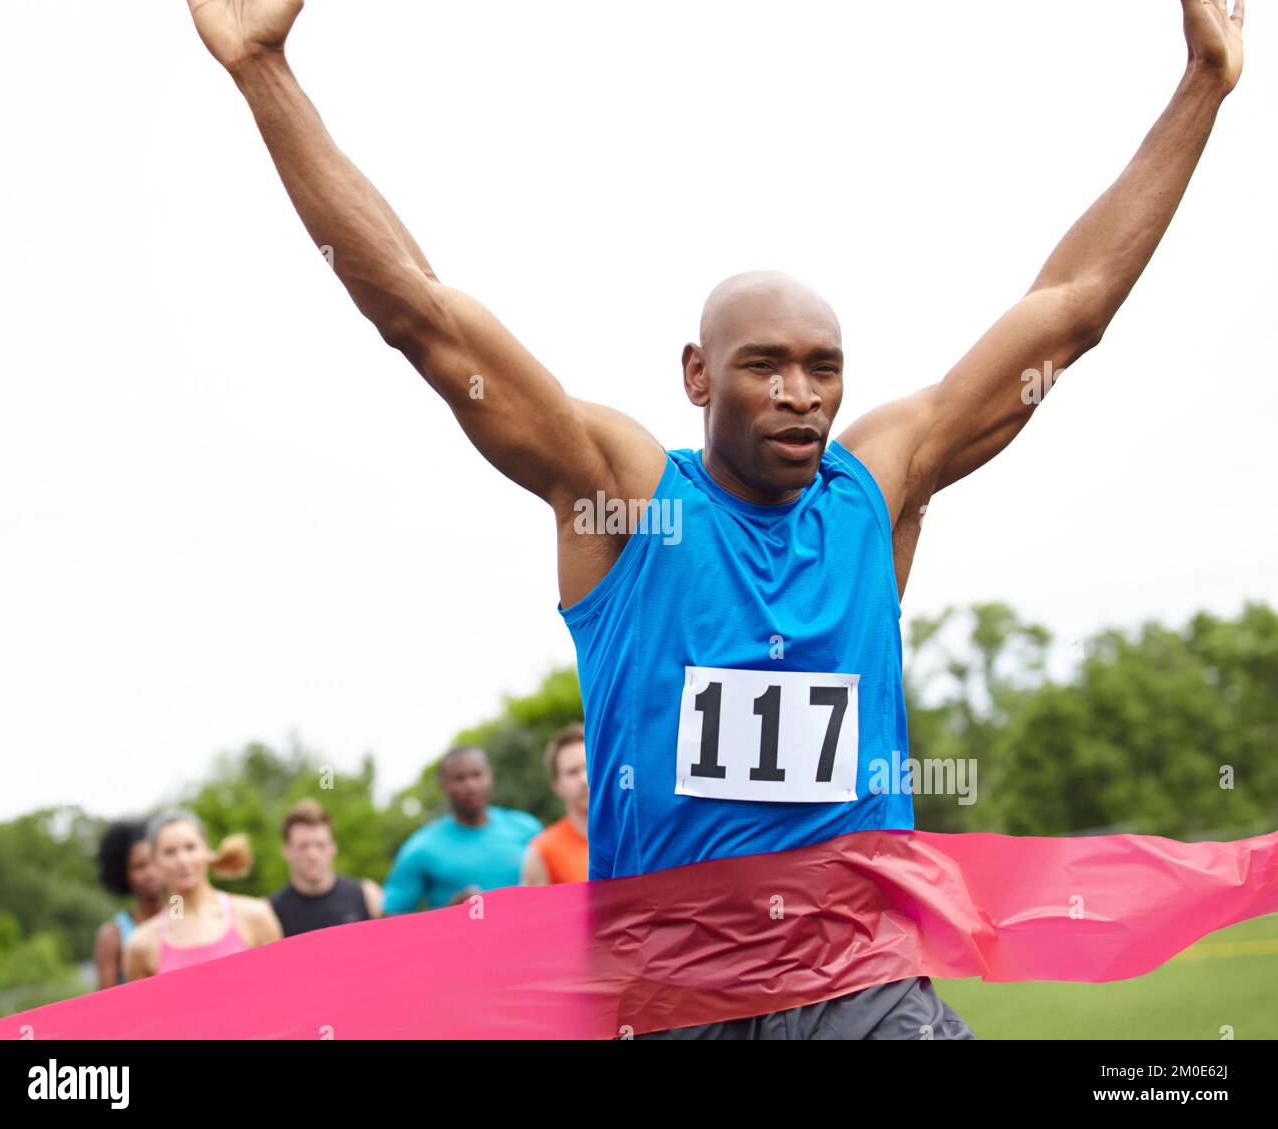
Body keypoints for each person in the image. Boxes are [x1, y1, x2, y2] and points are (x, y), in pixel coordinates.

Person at [183, 0, 1246, 1038]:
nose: (800, 394)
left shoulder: (877, 492)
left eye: (822, 368)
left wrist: (1200, 84)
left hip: (860, 988)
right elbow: (420, 314)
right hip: (670, 1003)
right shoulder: (631, 503)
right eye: (765, 366)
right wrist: (263, 72)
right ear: (697, 374)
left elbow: (1070, 306)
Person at [123, 810, 282, 979]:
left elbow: (284, 987)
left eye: (190, 847)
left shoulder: (255, 915)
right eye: (170, 852)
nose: (182, 860)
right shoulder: (141, 945)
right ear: (154, 863)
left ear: (207, 851)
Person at [383, 746, 540, 912]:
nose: (471, 786)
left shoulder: (527, 828)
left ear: (490, 777)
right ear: (443, 785)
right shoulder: (420, 848)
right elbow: (389, 916)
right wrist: (450, 914)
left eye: (477, 775)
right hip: (461, 938)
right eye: (459, 779)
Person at [270, 799, 383, 936]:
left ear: (333, 847)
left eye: (320, 845)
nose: (312, 855)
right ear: (286, 850)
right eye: (303, 846)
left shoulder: (368, 896)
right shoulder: (268, 913)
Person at [93, 820, 163, 989]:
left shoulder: (180, 909)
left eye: (155, 861)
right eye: (140, 867)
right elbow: (105, 1005)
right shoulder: (113, 935)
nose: (150, 873)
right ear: (124, 874)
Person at [522, 724, 589, 885]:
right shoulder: (543, 851)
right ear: (556, 785)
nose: (584, 779)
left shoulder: (633, 836)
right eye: (572, 772)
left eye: (589, 767)